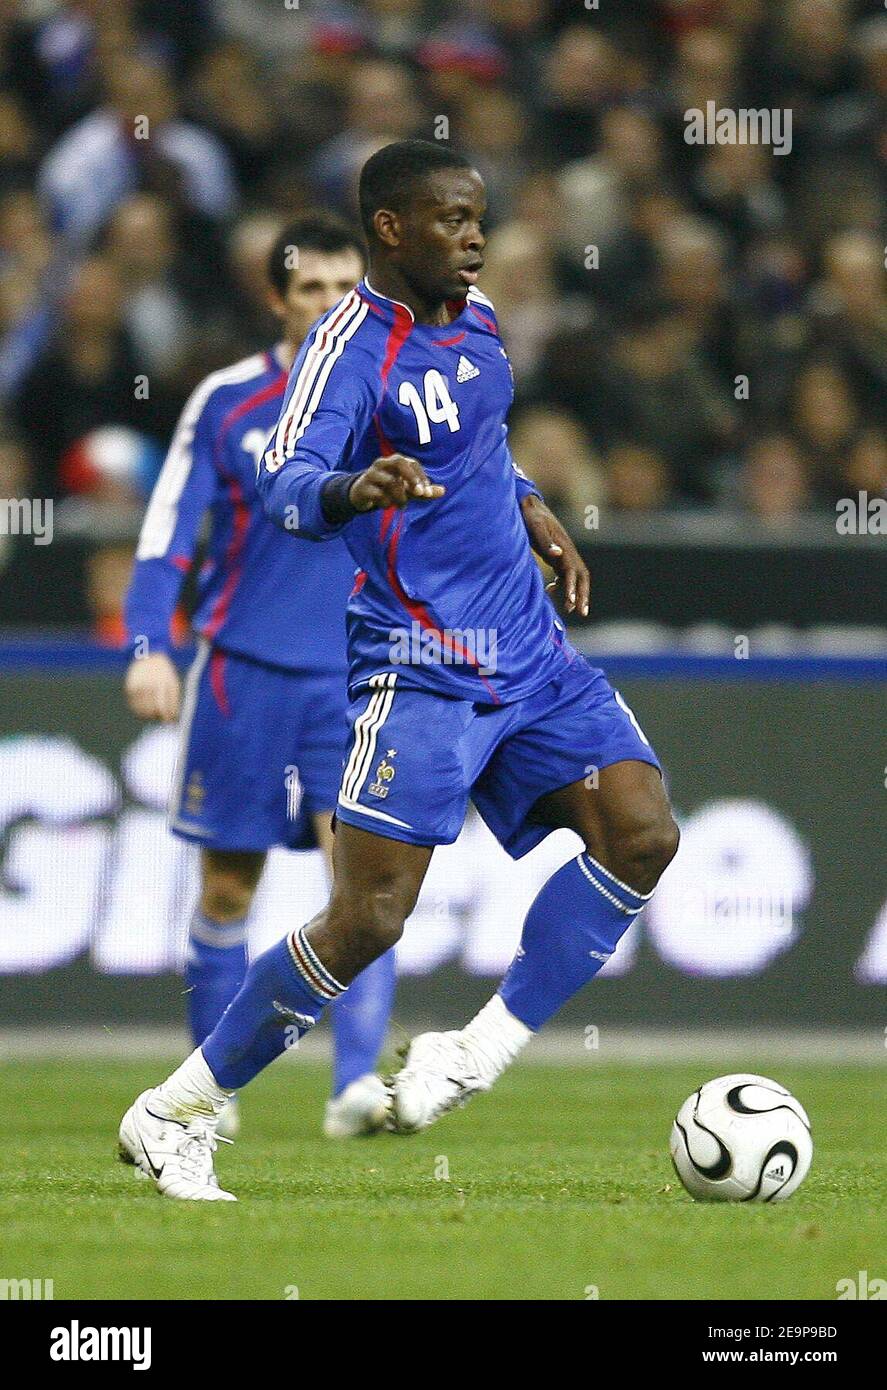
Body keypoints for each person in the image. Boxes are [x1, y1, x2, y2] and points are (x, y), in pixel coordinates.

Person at [119, 141, 679, 1201]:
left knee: (643, 831)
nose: (475, 238)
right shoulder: (345, 350)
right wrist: (352, 489)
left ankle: (467, 1056)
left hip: (531, 652)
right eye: (451, 219)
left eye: (479, 218)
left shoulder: (475, 319)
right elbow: (285, 484)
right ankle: (173, 1111)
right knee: (369, 916)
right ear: (389, 227)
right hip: (417, 663)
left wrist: (528, 502)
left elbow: (479, 439)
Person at [122, 212, 395, 1145]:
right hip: (243, 677)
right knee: (227, 891)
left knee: (363, 892)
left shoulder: (393, 396)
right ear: (277, 299)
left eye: (342, 289)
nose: (326, 305)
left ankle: (354, 1085)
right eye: (309, 289)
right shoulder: (227, 401)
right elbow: (164, 539)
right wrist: (148, 646)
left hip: (357, 680)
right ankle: (209, 1096)